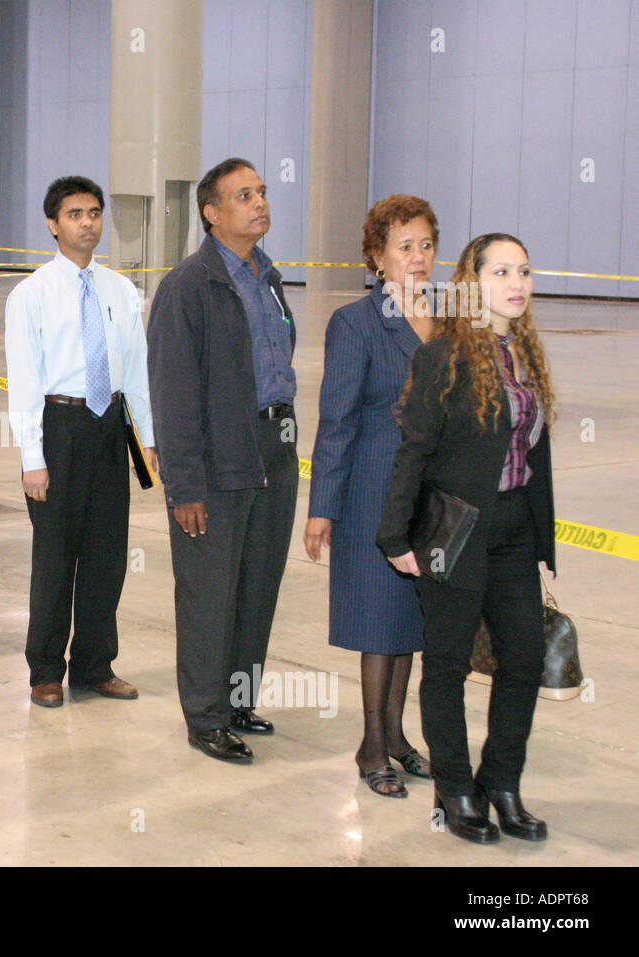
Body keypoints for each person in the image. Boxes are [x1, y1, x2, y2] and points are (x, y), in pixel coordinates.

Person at [377, 233, 556, 844]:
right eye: (501, 271)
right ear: (472, 283)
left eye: (524, 271)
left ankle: (501, 783)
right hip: (455, 531)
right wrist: (395, 532)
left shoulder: (524, 353)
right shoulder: (445, 354)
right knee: (448, 663)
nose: (517, 283)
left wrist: (542, 539)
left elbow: (533, 451)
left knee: (525, 658)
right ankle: (454, 789)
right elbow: (416, 448)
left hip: (513, 531)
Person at [147, 157, 298, 763]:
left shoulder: (268, 277)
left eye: (260, 192)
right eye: (243, 195)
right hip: (215, 460)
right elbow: (173, 395)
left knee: (256, 587)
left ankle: (238, 699)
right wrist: (184, 486)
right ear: (212, 213)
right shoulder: (188, 287)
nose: (259, 203)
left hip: (275, 453)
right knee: (210, 592)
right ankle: (206, 717)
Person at [304, 195, 438, 798]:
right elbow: (337, 422)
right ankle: (371, 747)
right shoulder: (356, 324)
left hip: (429, 502)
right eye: (404, 247)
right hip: (372, 495)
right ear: (377, 258)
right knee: (379, 622)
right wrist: (322, 508)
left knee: (411, 623)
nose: (417, 258)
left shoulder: (446, 322)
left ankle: (398, 734)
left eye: (426, 245)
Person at [5, 176, 155, 707]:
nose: (87, 222)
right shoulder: (31, 295)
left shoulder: (120, 289)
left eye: (94, 212)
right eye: (74, 214)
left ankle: (95, 666)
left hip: (108, 428)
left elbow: (135, 371)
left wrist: (149, 439)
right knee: (54, 558)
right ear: (53, 224)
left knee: (106, 557)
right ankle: (45, 669)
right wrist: (32, 460)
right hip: (58, 427)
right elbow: (24, 381)